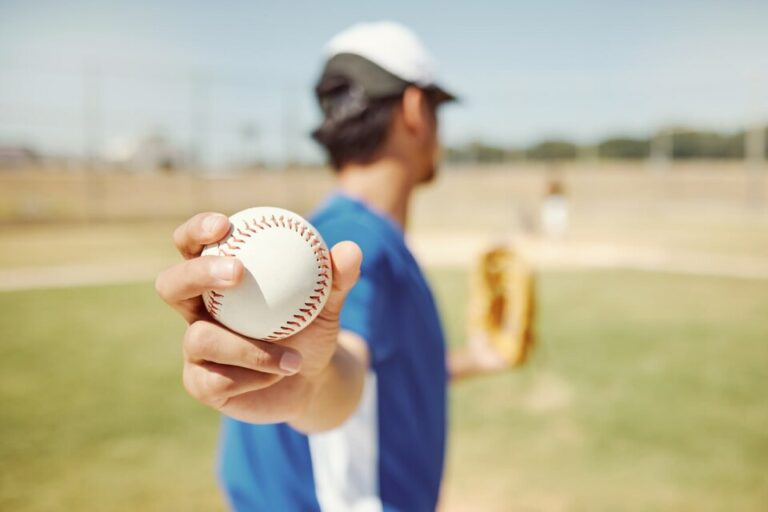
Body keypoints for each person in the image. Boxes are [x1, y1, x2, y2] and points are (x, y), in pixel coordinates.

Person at [155, 21, 511, 511]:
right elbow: (340, 367)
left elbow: (376, 371)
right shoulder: (359, 244)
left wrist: (479, 359)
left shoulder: (330, 231)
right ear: (414, 111)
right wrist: (309, 385)